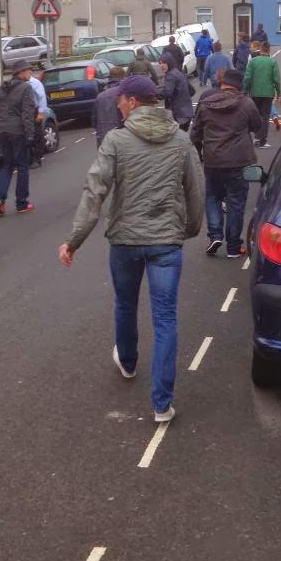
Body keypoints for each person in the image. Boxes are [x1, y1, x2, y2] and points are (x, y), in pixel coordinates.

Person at [59, 75, 204, 423]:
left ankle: (127, 362)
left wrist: (74, 240)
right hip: (166, 243)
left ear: (134, 101)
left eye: (120, 100)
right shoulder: (181, 141)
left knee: (125, 303)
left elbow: (95, 192)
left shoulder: (116, 140)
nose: (117, 106)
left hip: (125, 241)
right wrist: (188, 230)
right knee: (165, 317)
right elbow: (196, 192)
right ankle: (161, 404)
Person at [191, 68, 262, 258]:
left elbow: (195, 134)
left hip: (213, 161)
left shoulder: (205, 104)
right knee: (236, 204)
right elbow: (258, 126)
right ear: (239, 85)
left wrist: (200, 154)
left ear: (223, 84)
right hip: (239, 162)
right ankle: (233, 247)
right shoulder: (246, 103)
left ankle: (215, 235)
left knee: (212, 197)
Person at [0, 59, 37, 215]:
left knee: (7, 165)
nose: (31, 72)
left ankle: (0, 198)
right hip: (18, 131)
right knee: (22, 166)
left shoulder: (0, 89)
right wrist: (30, 135)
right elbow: (27, 114)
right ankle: (21, 203)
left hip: (2, 130)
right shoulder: (26, 88)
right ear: (21, 73)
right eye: (28, 70)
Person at [242, 41, 281, 149]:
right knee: (265, 117)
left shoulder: (253, 62)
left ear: (261, 49)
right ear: (268, 50)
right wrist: (279, 93)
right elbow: (276, 80)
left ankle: (256, 136)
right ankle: (262, 140)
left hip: (255, 93)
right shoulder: (273, 62)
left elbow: (247, 78)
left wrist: (244, 91)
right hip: (268, 94)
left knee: (256, 115)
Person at [158, 53, 194, 131]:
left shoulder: (171, 75)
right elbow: (192, 90)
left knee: (175, 140)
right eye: (160, 63)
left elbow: (167, 92)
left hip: (179, 115)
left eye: (164, 63)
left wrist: (153, 94)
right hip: (187, 113)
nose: (161, 65)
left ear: (169, 62)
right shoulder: (178, 72)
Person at [93, 65, 127, 146]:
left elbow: (94, 120)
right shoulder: (124, 94)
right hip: (122, 138)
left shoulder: (100, 96)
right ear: (123, 77)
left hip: (103, 139)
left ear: (110, 77)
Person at [29, 70, 49, 167]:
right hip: (23, 112)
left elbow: (41, 97)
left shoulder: (35, 83)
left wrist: (41, 112)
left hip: (35, 111)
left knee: (37, 135)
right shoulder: (19, 84)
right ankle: (30, 157)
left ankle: (37, 158)